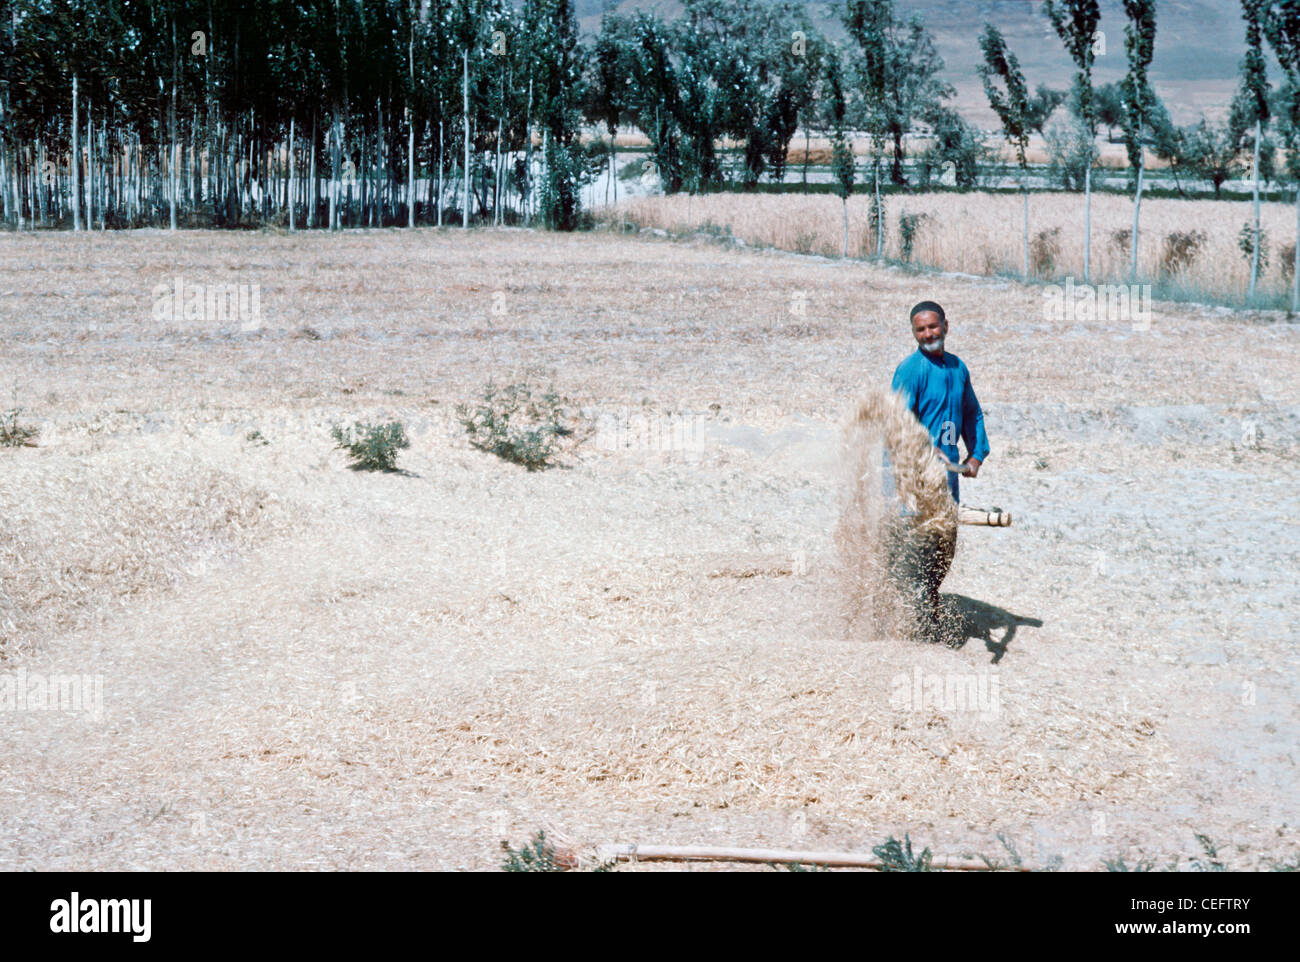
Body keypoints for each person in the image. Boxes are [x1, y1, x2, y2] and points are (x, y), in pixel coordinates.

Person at [884, 300, 990, 640]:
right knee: (915, 561)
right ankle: (917, 632)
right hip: (912, 486)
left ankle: (925, 620)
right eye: (920, 329)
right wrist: (919, 456)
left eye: (933, 326)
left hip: (948, 484)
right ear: (914, 333)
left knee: (942, 556)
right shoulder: (910, 370)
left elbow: (972, 414)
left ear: (945, 324)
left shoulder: (958, 369)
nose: (928, 333)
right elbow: (896, 426)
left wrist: (975, 456)